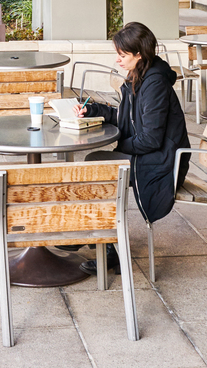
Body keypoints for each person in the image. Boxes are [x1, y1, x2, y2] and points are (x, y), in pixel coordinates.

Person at [74, 21, 192, 276]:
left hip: (162, 162)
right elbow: (126, 116)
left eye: (122, 55)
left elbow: (150, 139)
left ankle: (103, 247)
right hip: (152, 155)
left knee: (98, 166)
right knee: (94, 162)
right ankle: (95, 237)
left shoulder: (154, 84)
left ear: (139, 54)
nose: (117, 60)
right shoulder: (140, 75)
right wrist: (92, 110)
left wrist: (119, 145)